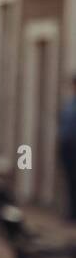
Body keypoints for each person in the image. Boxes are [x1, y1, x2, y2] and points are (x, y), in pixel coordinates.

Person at [60, 75, 76, 221]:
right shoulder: (70, 103)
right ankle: (71, 212)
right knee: (70, 180)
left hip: (73, 147)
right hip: (66, 146)